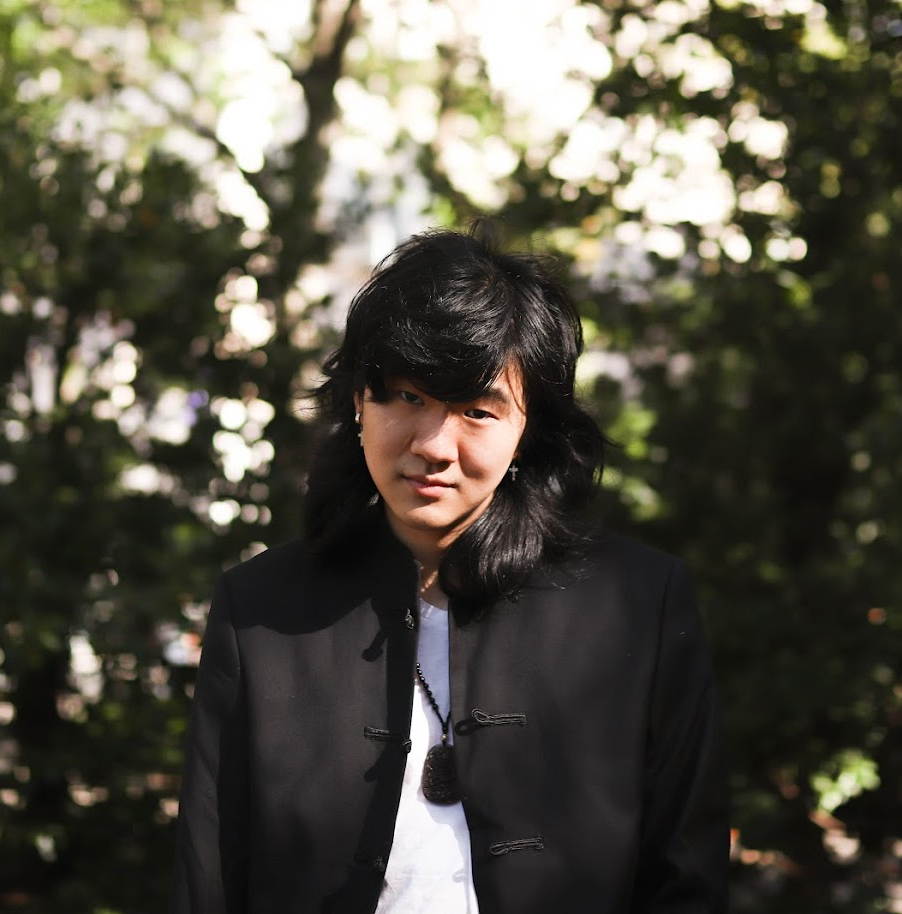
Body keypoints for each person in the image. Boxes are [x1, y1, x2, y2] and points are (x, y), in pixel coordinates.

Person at [170, 222, 729, 914]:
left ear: (529, 428)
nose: (435, 444)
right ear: (359, 400)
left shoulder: (641, 608)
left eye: (477, 411)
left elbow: (687, 878)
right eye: (409, 397)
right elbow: (208, 879)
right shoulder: (259, 611)